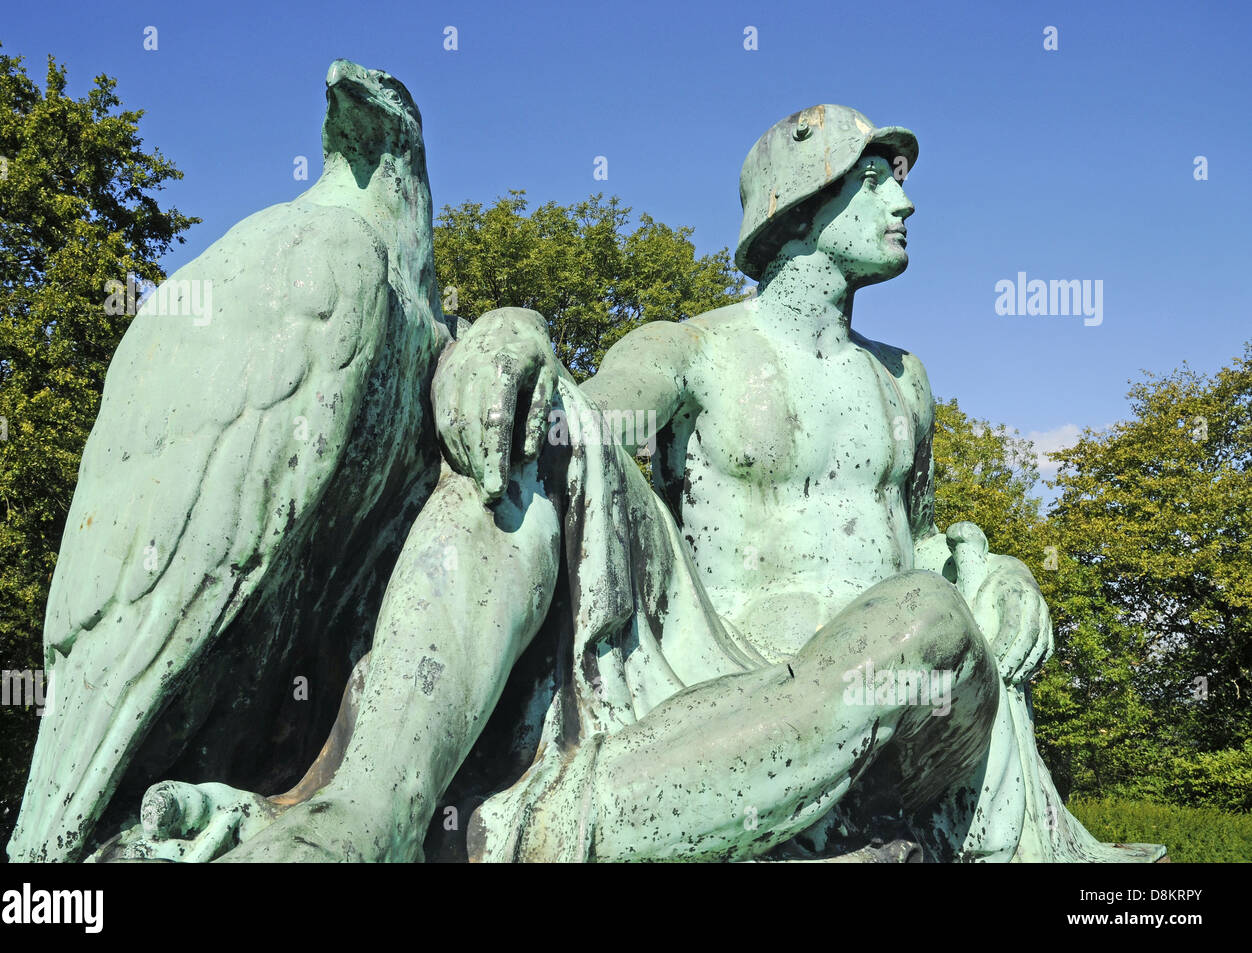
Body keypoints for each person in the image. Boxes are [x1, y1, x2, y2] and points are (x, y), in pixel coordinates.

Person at [129, 105, 1163, 863]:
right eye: (877, 178)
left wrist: (998, 566)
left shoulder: (906, 380)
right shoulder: (693, 349)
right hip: (713, 679)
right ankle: (364, 814)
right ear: (803, 205)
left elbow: (919, 536)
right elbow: (602, 410)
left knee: (927, 618)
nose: (905, 200)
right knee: (529, 450)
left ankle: (543, 825)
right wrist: (515, 344)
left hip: (901, 697)